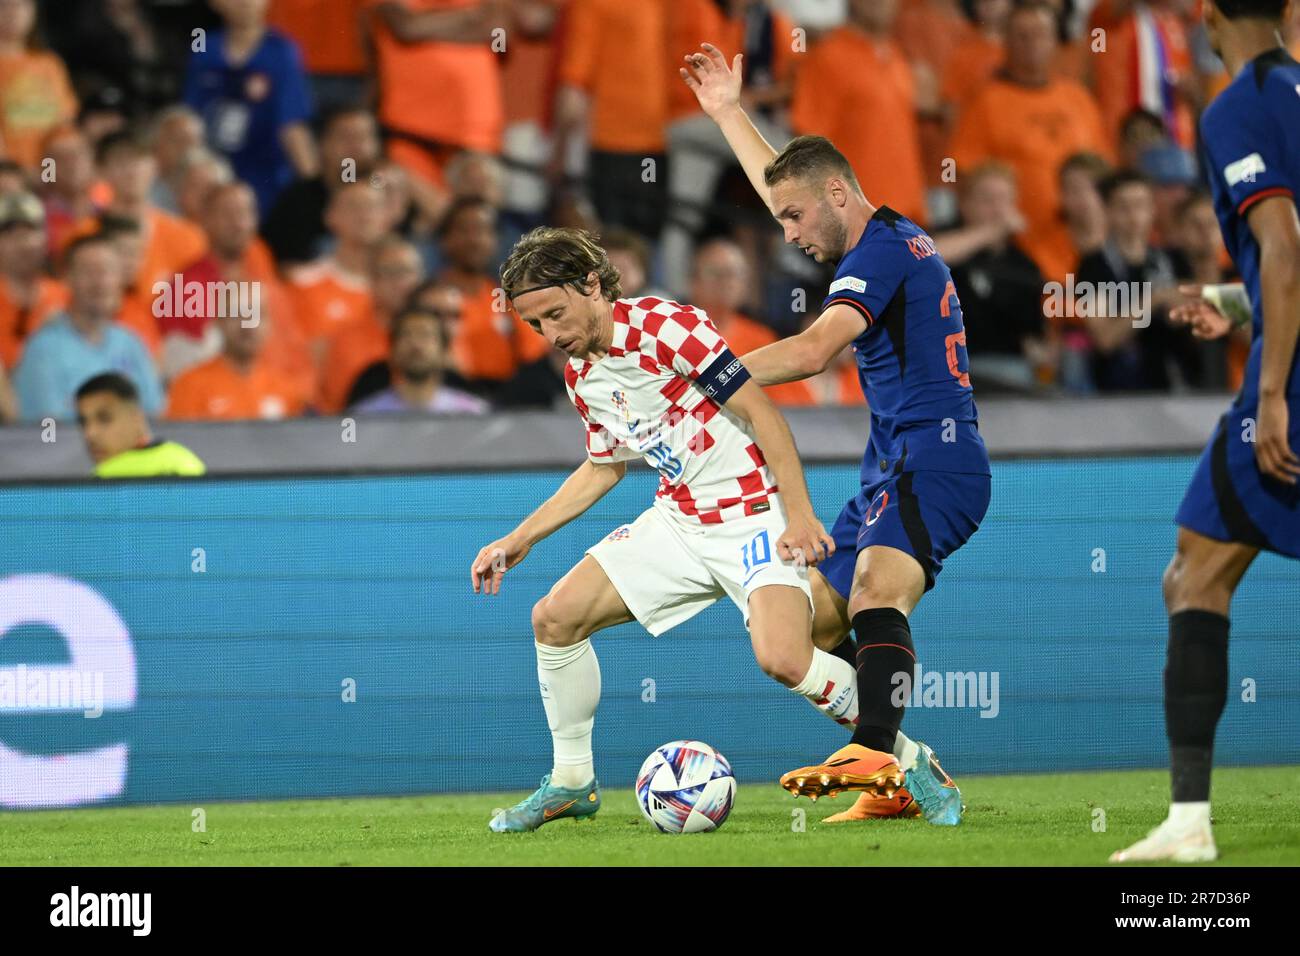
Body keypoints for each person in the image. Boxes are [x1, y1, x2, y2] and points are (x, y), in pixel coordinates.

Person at [682, 44, 992, 825]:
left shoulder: (882, 250)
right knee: (807, 632)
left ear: (839, 193)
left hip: (938, 461)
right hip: (892, 466)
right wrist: (727, 113)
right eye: (779, 218)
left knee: (876, 593)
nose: (785, 233)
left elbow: (816, 349)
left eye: (794, 217)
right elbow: (785, 183)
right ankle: (894, 771)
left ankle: (875, 754)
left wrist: (700, 377)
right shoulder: (874, 236)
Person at [471, 226, 841, 832]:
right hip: (678, 519)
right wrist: (519, 539)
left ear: (592, 283)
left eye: (557, 314)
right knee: (554, 617)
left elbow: (762, 413)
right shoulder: (581, 375)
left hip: (751, 512)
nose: (553, 336)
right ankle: (571, 782)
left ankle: (903, 761)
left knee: (785, 659)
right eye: (536, 326)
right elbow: (604, 466)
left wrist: (799, 514)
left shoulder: (668, 326)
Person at [1111, 0, 1300, 864]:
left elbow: (1285, 241)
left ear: (1204, 12)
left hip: (1293, 378)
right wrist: (1239, 302)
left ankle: (1189, 826)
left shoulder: (1235, 108)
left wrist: (1270, 392)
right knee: (1197, 568)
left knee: (1194, 573)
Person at [183, 0, 317, 216]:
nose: (244, 3)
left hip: (267, 171)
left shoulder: (282, 51)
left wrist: (312, 184)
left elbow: (292, 124)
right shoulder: (204, 48)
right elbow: (191, 117)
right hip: (215, 168)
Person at [13, 233, 162, 421]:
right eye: (88, 271)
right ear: (67, 279)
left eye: (107, 271)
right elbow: (47, 432)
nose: (100, 282)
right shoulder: (43, 350)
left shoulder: (131, 343)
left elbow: (154, 417)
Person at [350, 306, 487, 415]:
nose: (415, 344)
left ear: (444, 352)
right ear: (392, 351)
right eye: (406, 335)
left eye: (425, 334)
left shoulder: (472, 414)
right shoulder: (366, 416)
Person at [75, 371, 205, 477]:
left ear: (136, 418)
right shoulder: (186, 461)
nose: (90, 433)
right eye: (83, 422)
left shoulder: (101, 482)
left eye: (105, 419)